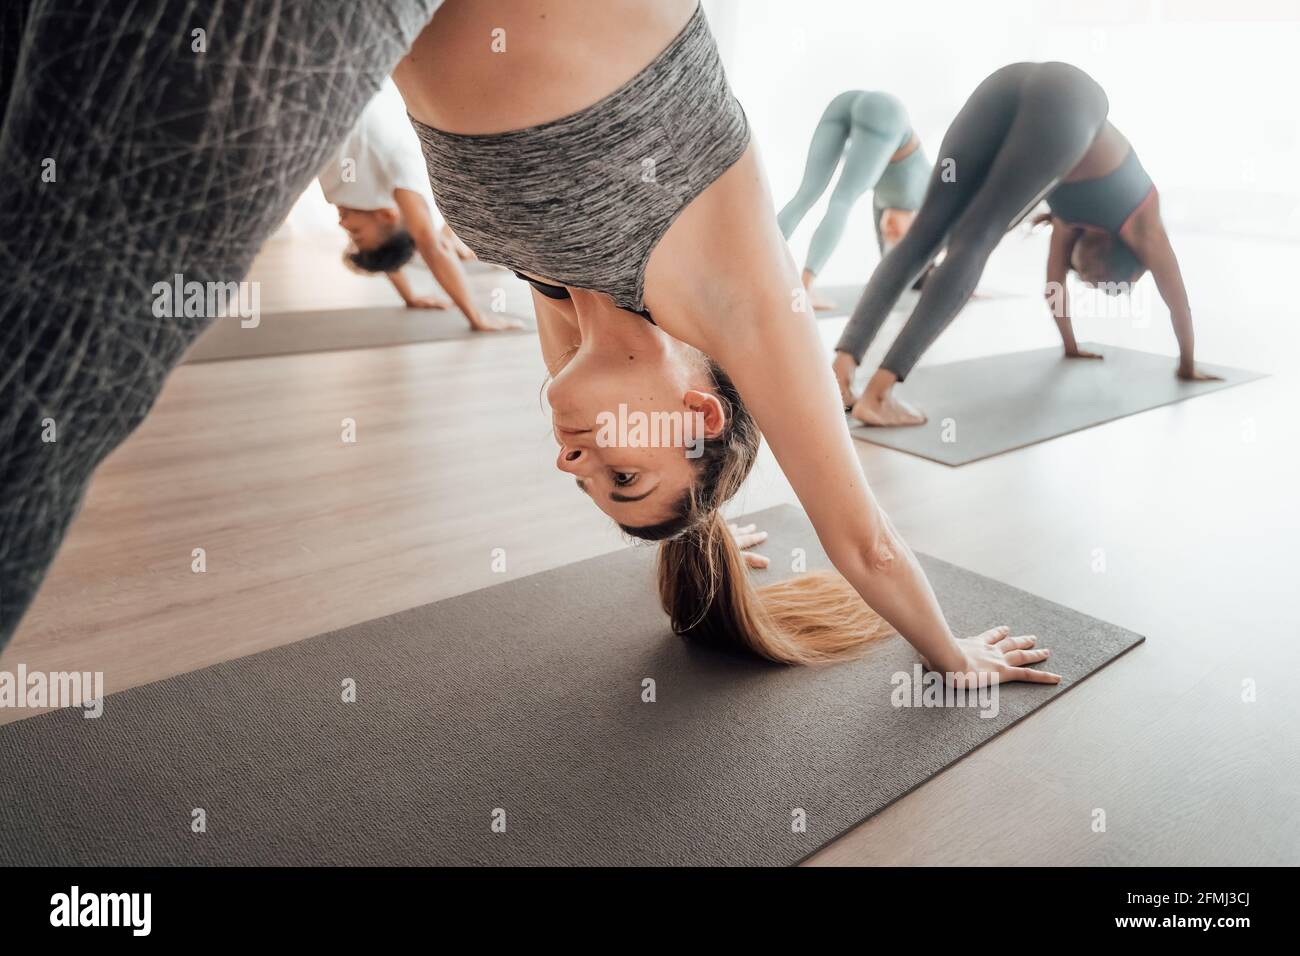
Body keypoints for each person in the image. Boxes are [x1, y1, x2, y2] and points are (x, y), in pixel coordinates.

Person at [394, 0, 1058, 680]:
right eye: (620, 475)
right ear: (700, 414)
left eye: (587, 480)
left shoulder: (564, 303)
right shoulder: (735, 298)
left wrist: (700, 530)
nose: (569, 463)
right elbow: (866, 545)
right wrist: (952, 658)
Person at [832, 61, 1221, 427]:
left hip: (1007, 83)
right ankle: (878, 397)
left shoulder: (1070, 224)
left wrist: (1071, 346)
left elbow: (1052, 288)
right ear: (1118, 262)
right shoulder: (1144, 225)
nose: (1080, 274)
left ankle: (840, 373)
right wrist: (1187, 363)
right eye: (1094, 278)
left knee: (928, 234)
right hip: (1070, 98)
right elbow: (1178, 302)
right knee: (974, 238)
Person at [318, 88, 520, 330]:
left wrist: (409, 296)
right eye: (356, 233)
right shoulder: (396, 166)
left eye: (352, 236)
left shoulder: (353, 200)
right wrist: (477, 317)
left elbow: (383, 247)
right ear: (386, 215)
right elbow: (430, 244)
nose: (343, 225)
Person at [777, 90, 930, 309]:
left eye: (889, 237)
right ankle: (805, 288)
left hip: (849, 105)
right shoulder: (927, 195)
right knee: (839, 200)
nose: (888, 232)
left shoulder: (883, 202)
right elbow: (952, 230)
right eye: (897, 237)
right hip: (886, 112)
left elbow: (885, 254)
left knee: (807, 195)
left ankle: (754, 271)